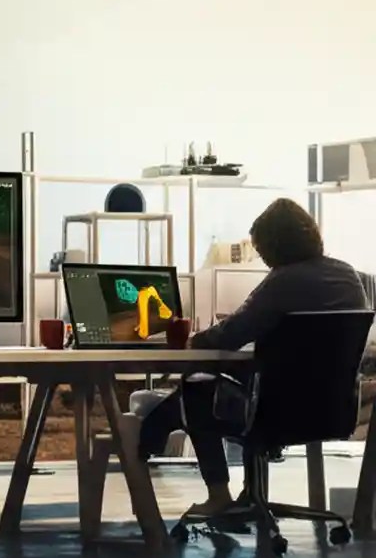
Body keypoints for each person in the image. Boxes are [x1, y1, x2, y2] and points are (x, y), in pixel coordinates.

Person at [121, 197, 369, 517]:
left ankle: (209, 487)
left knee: (196, 388)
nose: (263, 259)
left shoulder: (283, 281)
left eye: (263, 250)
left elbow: (231, 334)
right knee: (205, 389)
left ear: (278, 244)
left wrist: (187, 342)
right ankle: (158, 433)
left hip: (272, 414)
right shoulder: (349, 276)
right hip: (332, 412)